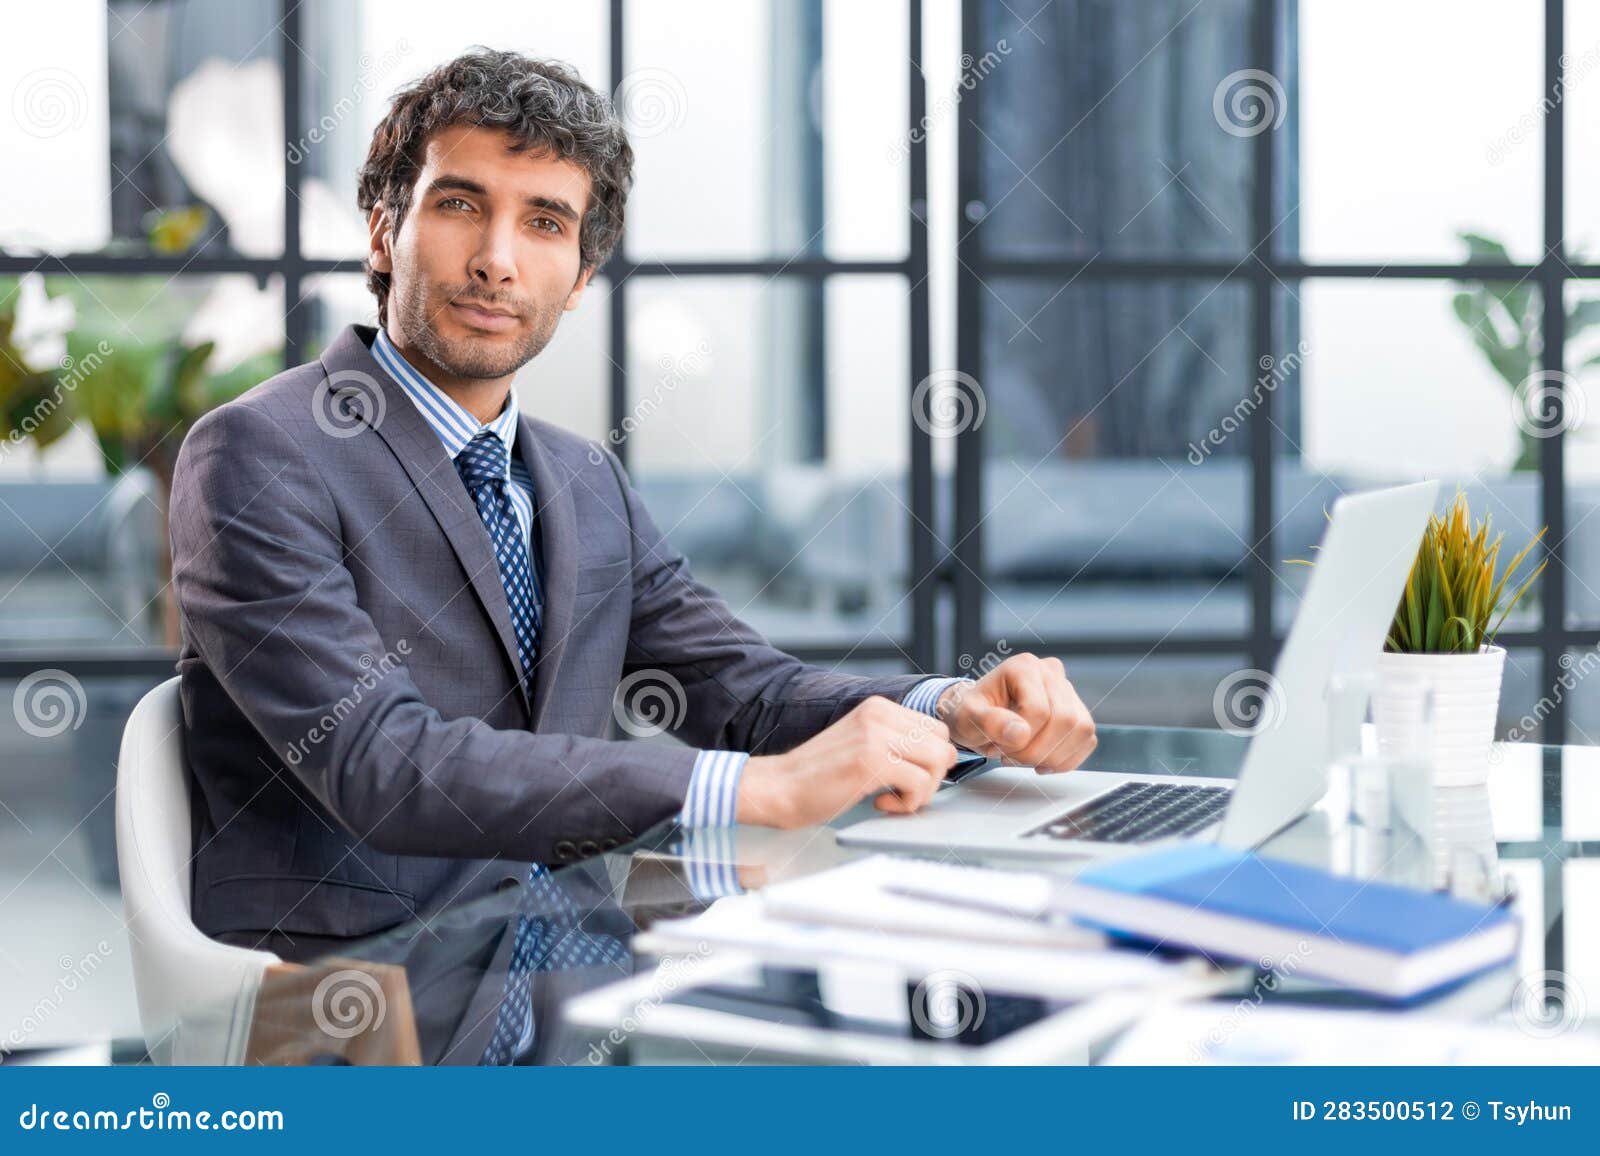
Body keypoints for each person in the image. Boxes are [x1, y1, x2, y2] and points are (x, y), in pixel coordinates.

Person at [169, 49, 1096, 962]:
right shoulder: (260, 452)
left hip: (576, 971)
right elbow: (382, 763)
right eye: (459, 205)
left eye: (544, 223)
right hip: (360, 999)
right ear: (383, 233)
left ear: (579, 278)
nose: (497, 261)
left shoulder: (581, 479)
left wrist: (951, 710)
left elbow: (749, 696)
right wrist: (750, 791)